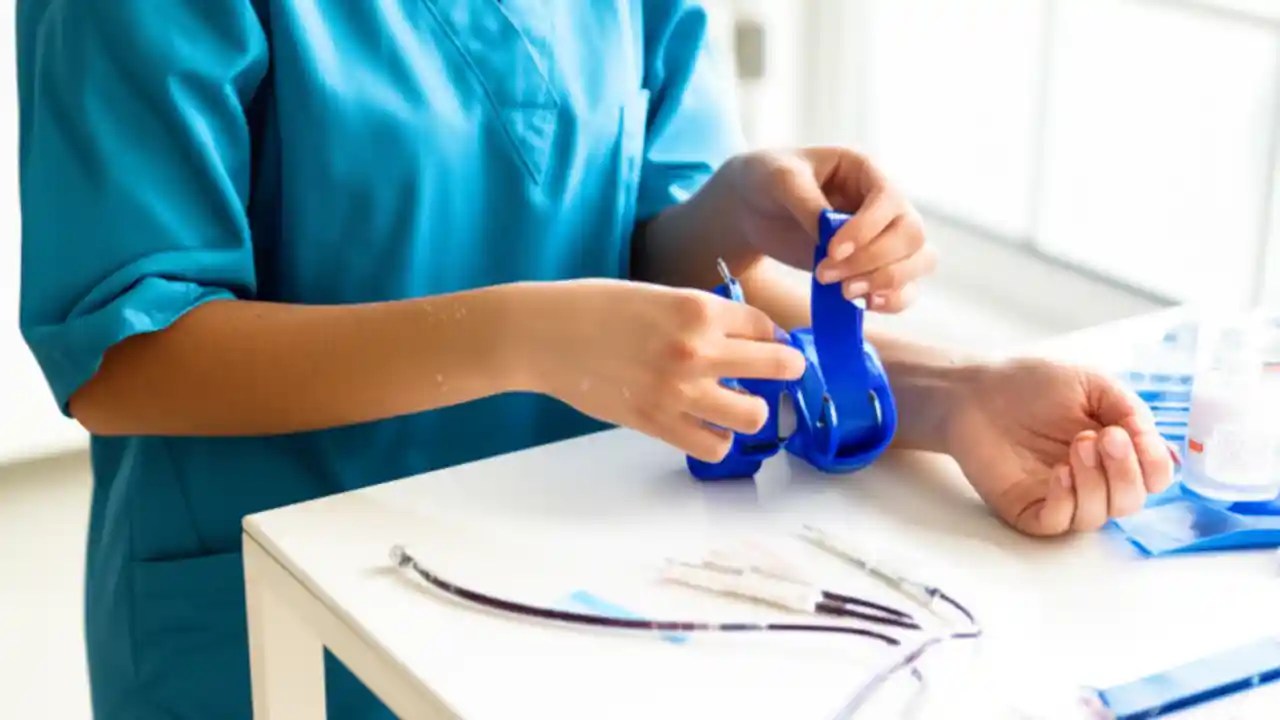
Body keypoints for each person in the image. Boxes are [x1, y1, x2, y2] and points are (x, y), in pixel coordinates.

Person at [15, 2, 1175, 718]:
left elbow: (647, 247)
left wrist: (944, 390)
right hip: (270, 610)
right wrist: (531, 335)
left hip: (577, 585)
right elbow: (126, 357)